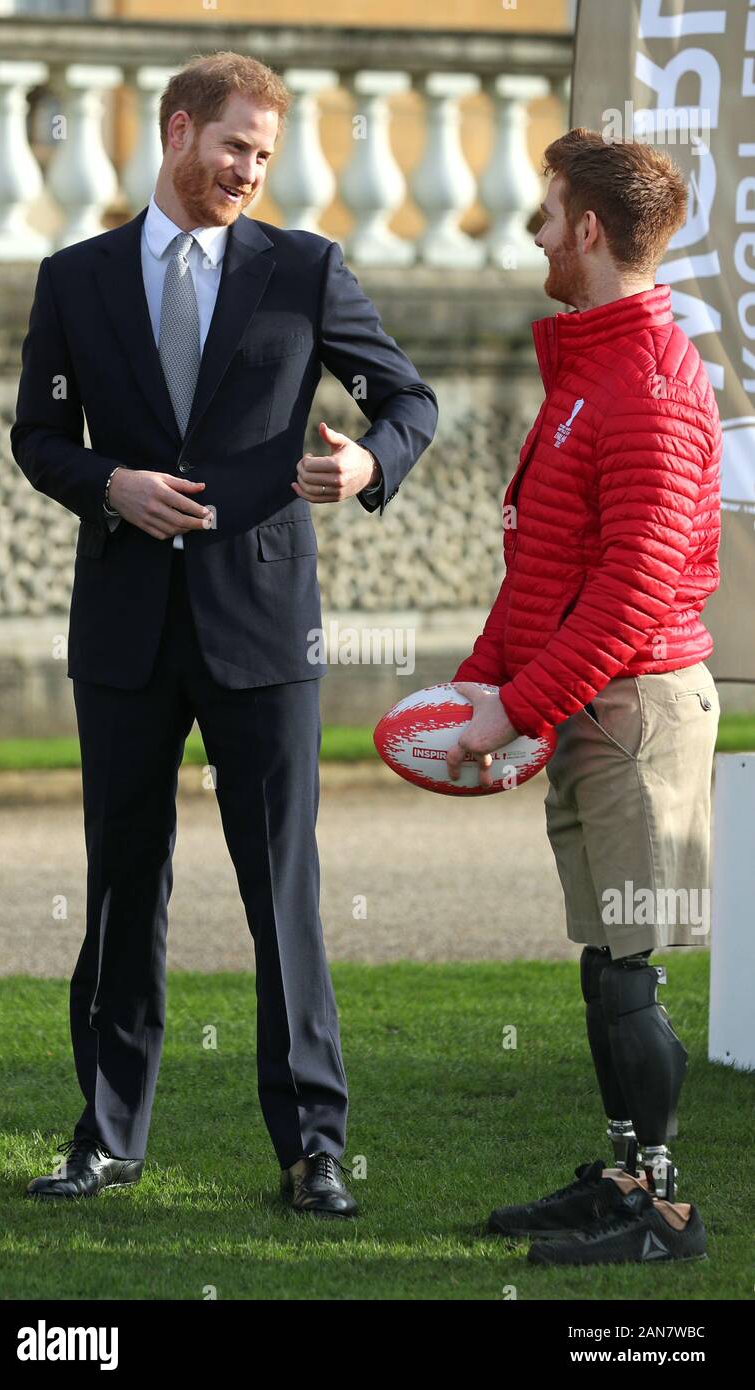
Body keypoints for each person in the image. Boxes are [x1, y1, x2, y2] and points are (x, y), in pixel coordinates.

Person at [11, 51, 438, 1217]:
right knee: (119, 888)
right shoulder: (75, 277)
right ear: (179, 128)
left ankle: (313, 1147)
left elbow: (408, 400)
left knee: (282, 892)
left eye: (265, 153)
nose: (250, 169)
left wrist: (364, 460)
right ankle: (106, 1137)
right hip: (124, 632)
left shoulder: (305, 272)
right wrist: (109, 483)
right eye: (235, 145)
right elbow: (35, 437)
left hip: (261, 628)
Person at [447, 129, 720, 1265]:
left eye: (547, 210)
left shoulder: (649, 380)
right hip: (598, 709)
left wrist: (519, 708)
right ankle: (618, 1174)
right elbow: (547, 567)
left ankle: (660, 1212)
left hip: (640, 709)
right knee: (606, 958)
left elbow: (628, 592)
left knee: (628, 967)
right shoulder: (590, 372)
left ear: (590, 229)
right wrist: (477, 683)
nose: (534, 230)